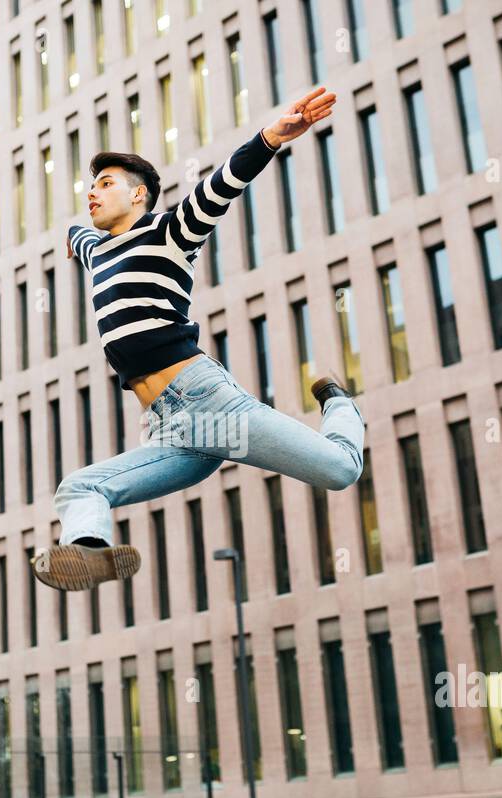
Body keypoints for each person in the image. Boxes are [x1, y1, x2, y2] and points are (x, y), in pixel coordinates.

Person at [32, 86, 364, 591]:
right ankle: (92, 552)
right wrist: (76, 240)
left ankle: (343, 409)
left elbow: (222, 186)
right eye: (89, 189)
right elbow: (79, 232)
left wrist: (272, 137)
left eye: (104, 184)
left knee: (340, 470)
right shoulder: (96, 248)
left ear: (138, 194)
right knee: (79, 488)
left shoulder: (170, 231)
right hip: (168, 428)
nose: (92, 194)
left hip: (208, 404)